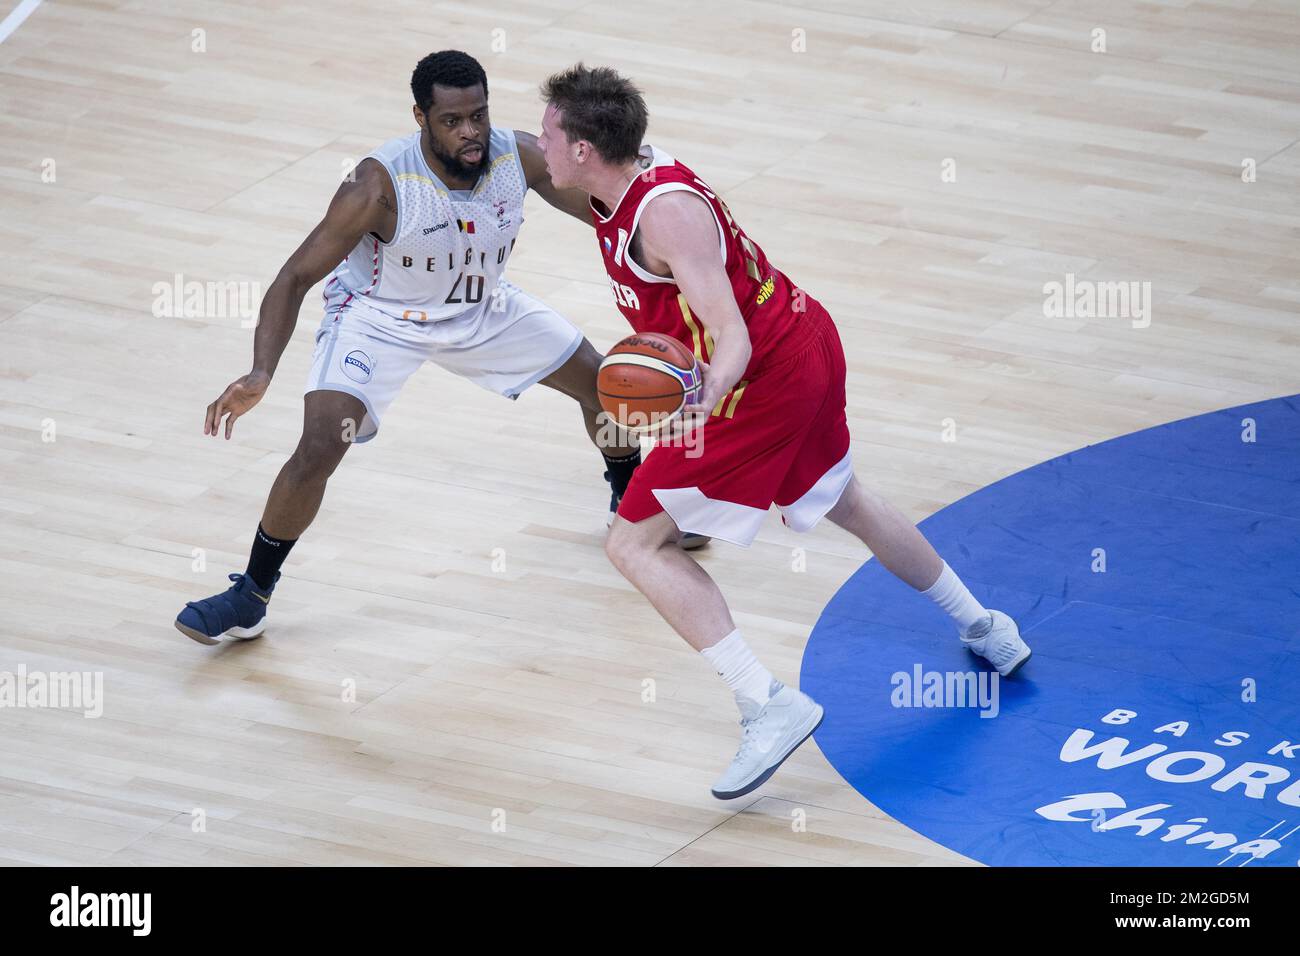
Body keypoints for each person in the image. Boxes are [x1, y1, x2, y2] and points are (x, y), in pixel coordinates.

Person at [536, 64, 1032, 800]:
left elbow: (728, 337)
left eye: (548, 132)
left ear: (582, 149)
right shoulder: (626, 175)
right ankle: (986, 626)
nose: (538, 142)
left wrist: (697, 411)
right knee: (846, 498)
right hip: (802, 341)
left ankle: (766, 703)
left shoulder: (664, 215)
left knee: (633, 542)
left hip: (755, 380)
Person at [175, 50, 703, 646]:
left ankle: (627, 496)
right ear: (421, 117)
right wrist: (260, 370)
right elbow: (293, 277)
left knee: (609, 385)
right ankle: (252, 594)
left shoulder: (519, 154)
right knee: (321, 445)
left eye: (479, 114)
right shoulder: (376, 185)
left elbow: (611, 211)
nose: (471, 131)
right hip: (380, 319)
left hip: (483, 310)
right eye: (453, 120)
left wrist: (682, 248)